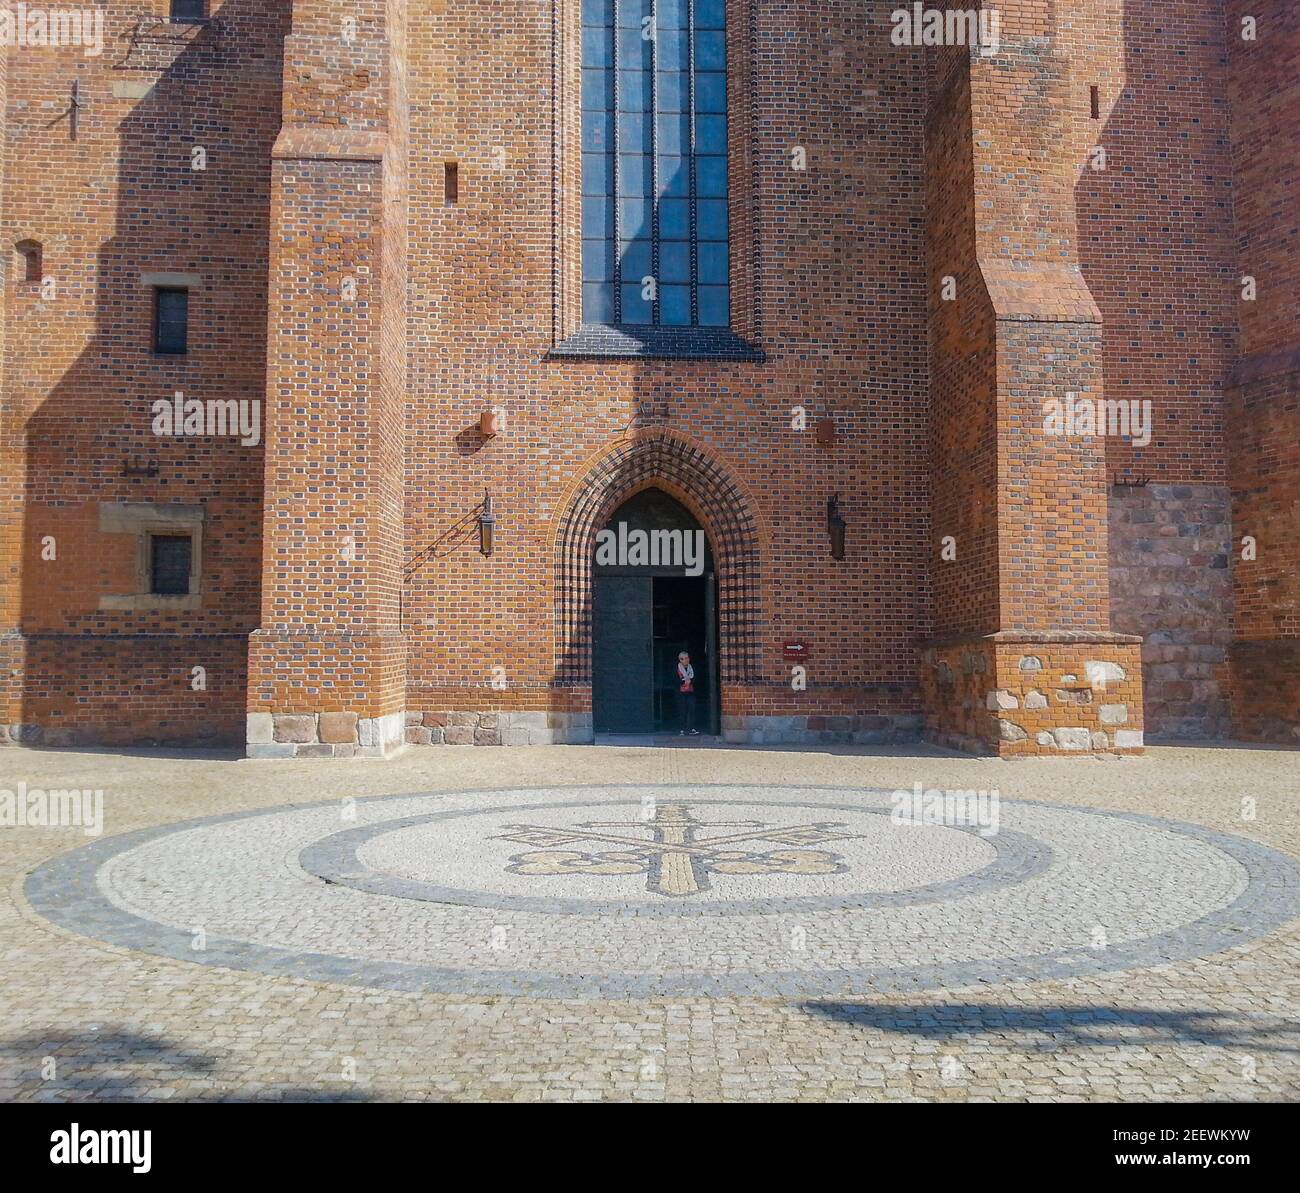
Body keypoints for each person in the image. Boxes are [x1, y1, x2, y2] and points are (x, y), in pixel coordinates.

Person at [676, 651, 699, 735]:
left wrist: (690, 681)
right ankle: (682, 729)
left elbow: (696, 678)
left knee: (692, 709)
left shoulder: (692, 668)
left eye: (686, 658)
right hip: (680, 693)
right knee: (682, 710)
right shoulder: (677, 668)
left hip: (690, 691)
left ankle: (692, 728)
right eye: (683, 659)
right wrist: (684, 681)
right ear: (680, 660)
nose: (685, 660)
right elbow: (674, 680)